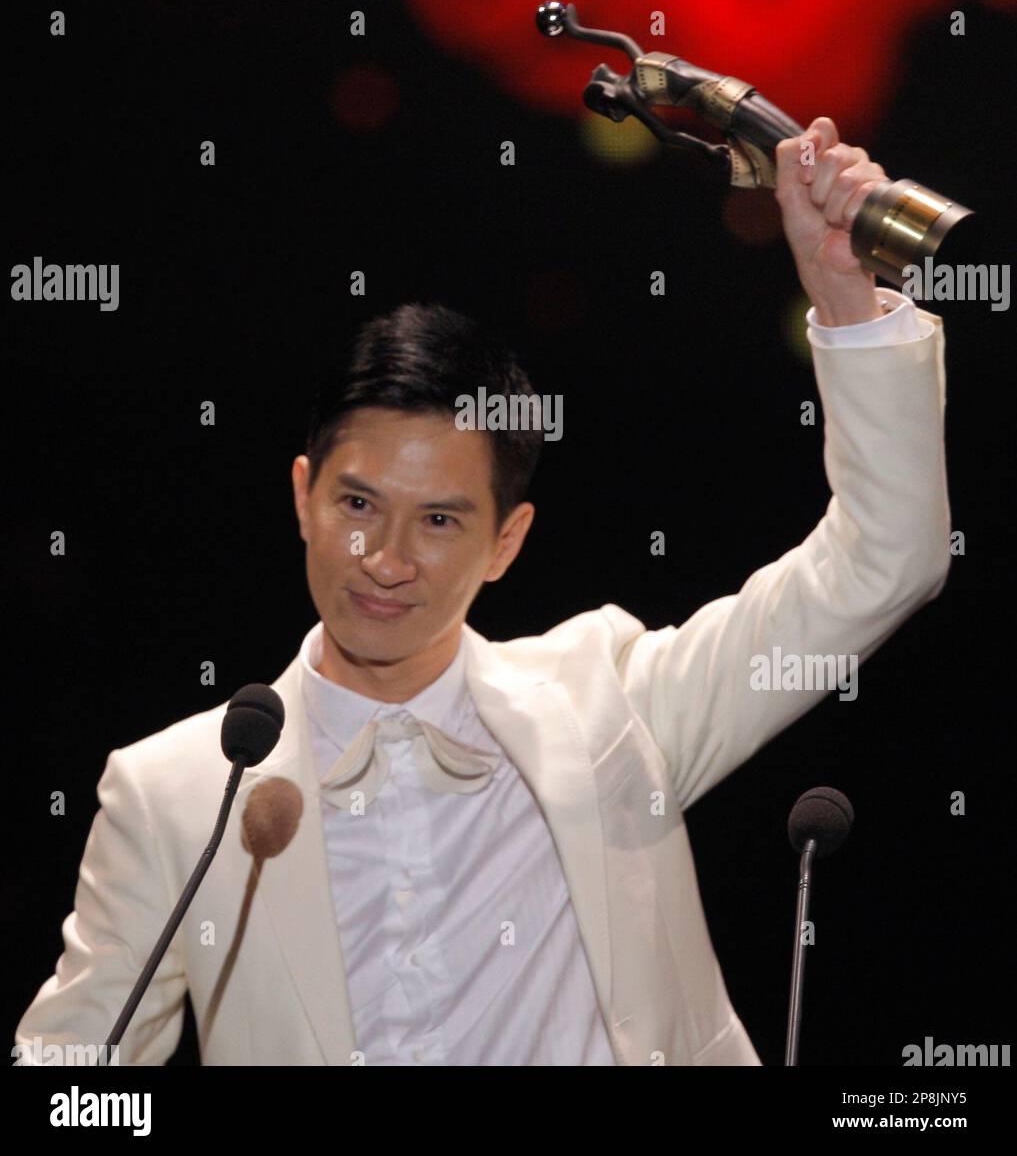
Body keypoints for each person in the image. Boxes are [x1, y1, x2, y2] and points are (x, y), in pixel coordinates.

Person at [15, 118, 951, 1066]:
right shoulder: (178, 794)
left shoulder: (609, 704)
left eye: (438, 521)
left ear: (507, 542)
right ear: (301, 496)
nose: (384, 557)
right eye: (356, 503)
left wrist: (843, 296)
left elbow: (885, 560)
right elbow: (69, 1080)